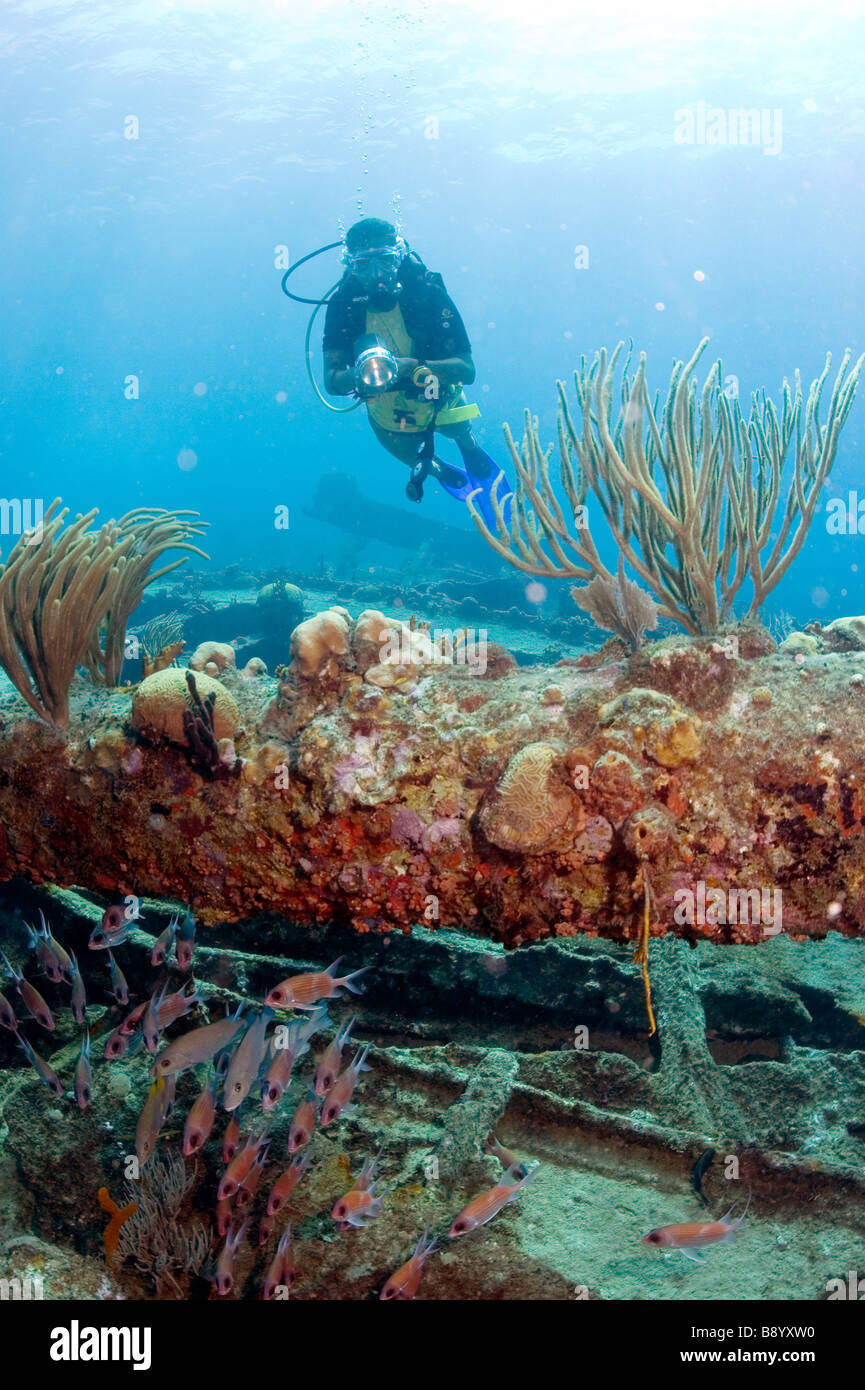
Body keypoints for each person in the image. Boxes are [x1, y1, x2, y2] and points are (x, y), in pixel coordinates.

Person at [323, 217, 502, 517]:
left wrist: (410, 366)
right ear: (350, 266)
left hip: (440, 395)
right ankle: (437, 469)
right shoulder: (342, 305)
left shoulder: (427, 292)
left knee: (458, 429)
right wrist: (360, 375)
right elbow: (330, 381)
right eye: (363, 267)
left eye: (386, 261)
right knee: (414, 458)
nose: (376, 275)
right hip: (385, 412)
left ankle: (467, 444)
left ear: (400, 255)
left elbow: (467, 370)